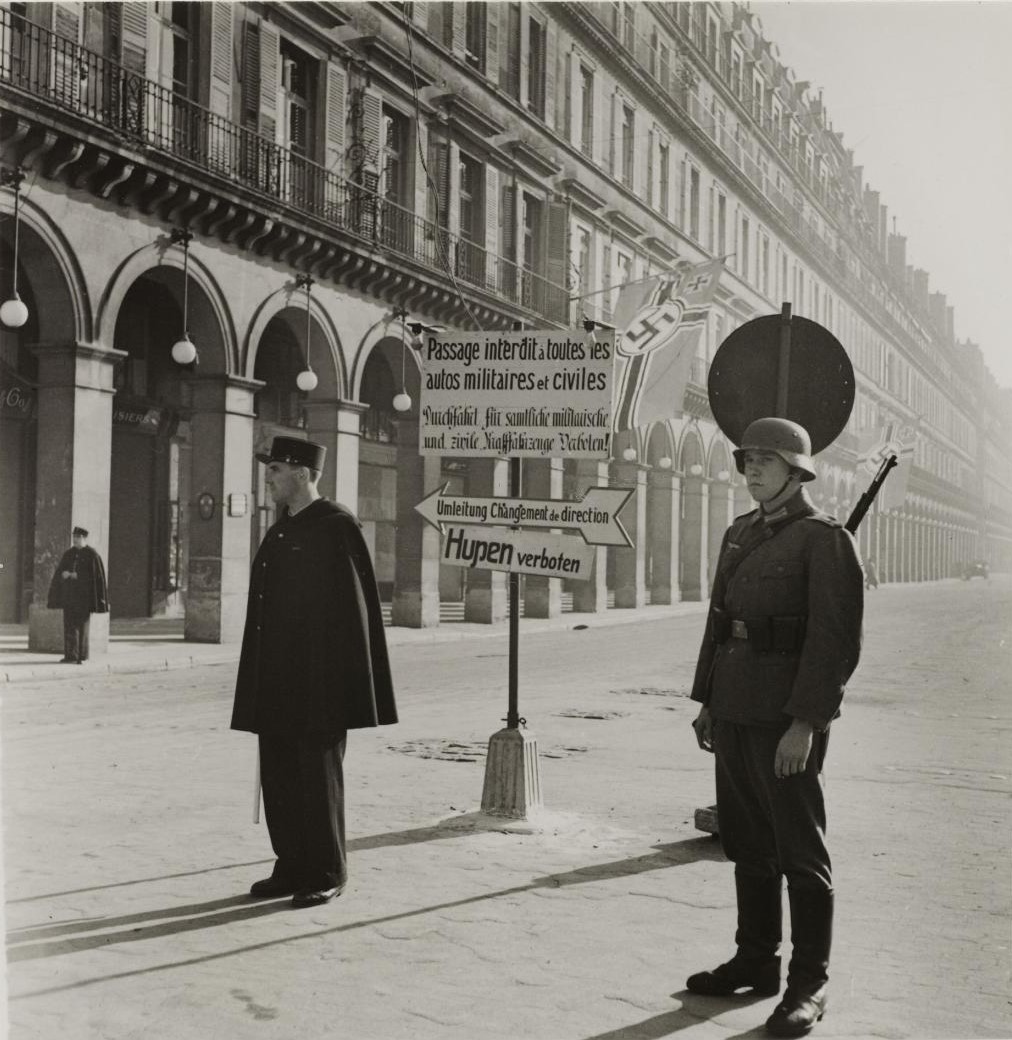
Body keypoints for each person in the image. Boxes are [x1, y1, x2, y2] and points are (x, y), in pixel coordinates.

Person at [687, 418, 863, 1038]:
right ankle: (756, 959)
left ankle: (809, 985)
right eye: (747, 460)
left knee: (800, 854)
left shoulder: (825, 540)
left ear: (797, 471)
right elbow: (719, 622)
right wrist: (708, 699)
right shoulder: (739, 532)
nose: (752, 469)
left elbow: (834, 644)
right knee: (747, 844)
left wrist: (806, 724)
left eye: (766, 460)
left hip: (785, 720)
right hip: (735, 709)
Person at [231, 436, 397, 909]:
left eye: (276, 469)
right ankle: (291, 865)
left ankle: (327, 871)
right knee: (279, 775)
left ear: (302, 474)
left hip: (319, 681)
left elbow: (353, 613)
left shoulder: (335, 525)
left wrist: (338, 686)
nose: (268, 477)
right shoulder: (281, 529)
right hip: (277, 678)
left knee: (317, 777)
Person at [47, 526, 109, 663]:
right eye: (74, 537)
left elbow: (95, 577)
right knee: (69, 625)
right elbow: (60, 571)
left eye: (78, 537)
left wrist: (77, 575)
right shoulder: (69, 554)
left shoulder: (92, 555)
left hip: (84, 598)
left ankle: (82, 655)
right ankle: (70, 655)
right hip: (70, 596)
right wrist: (64, 574)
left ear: (84, 538)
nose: (75, 539)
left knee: (82, 625)